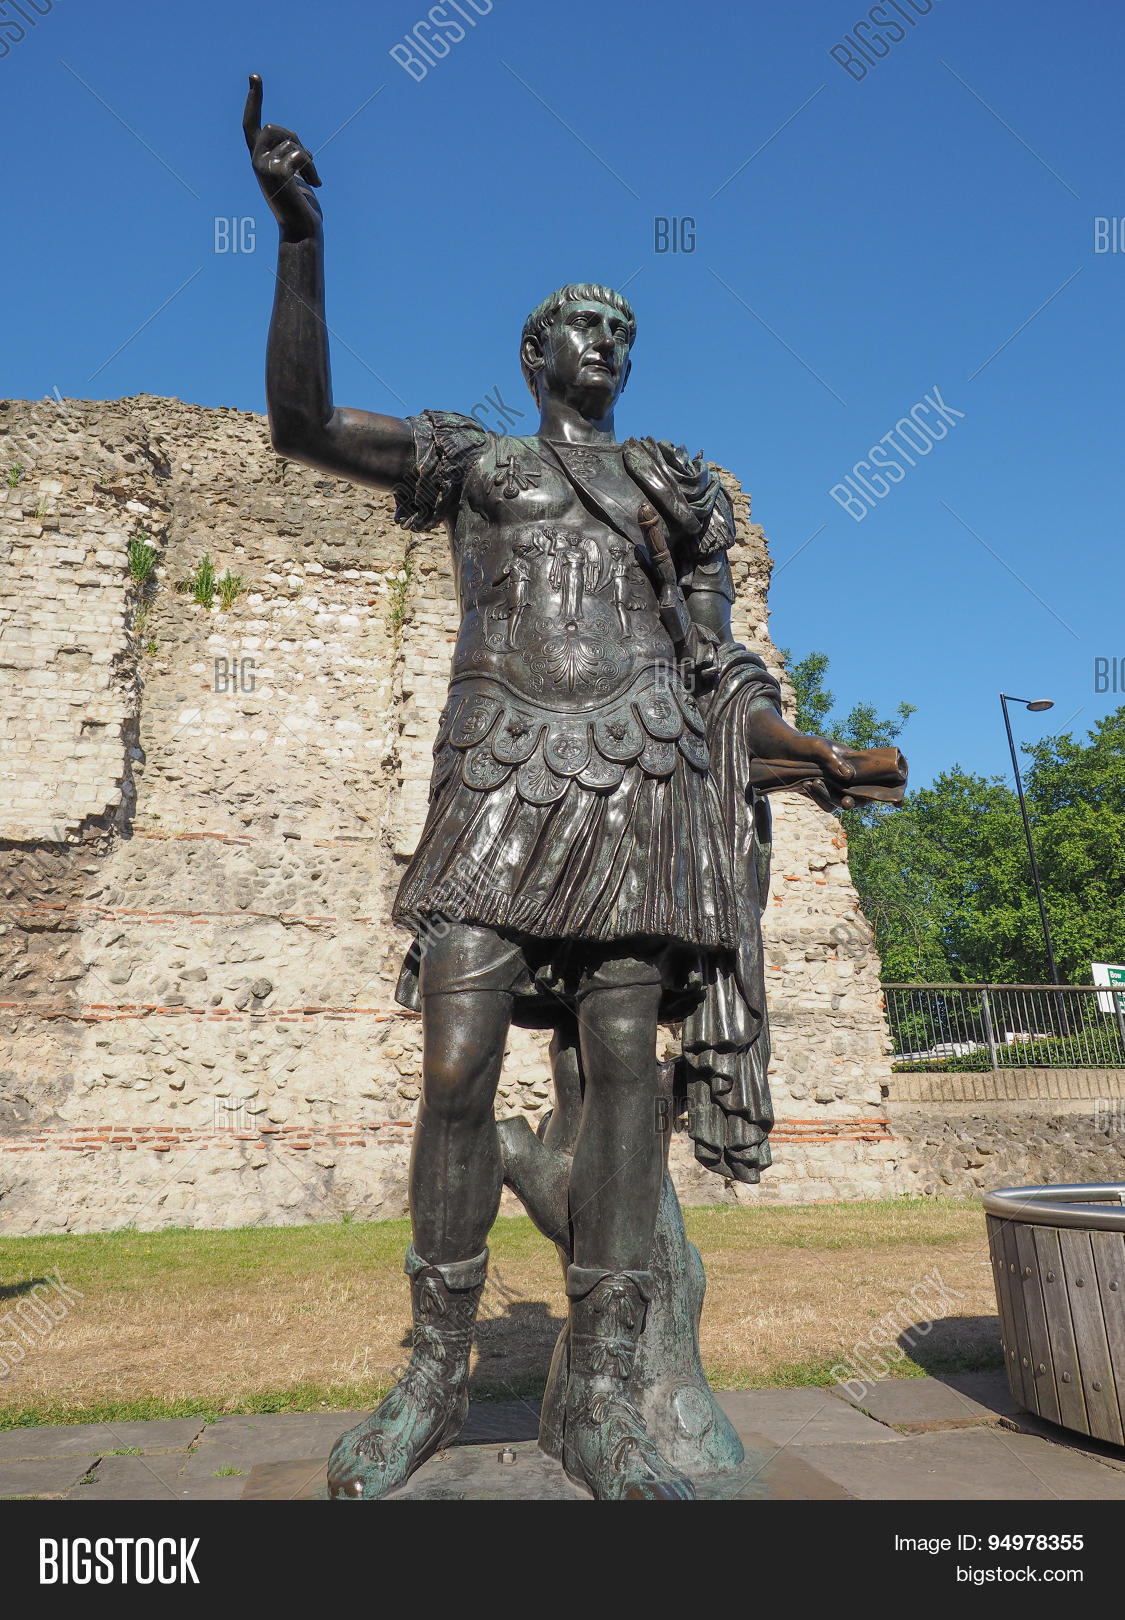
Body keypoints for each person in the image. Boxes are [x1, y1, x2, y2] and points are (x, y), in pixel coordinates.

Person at [245, 75, 857, 1499]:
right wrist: (297, 240)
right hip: (504, 767)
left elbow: (719, 676)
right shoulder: (478, 462)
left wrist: (801, 752)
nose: (612, 343)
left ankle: (609, 1391)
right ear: (533, 351)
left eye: (626, 330)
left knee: (628, 1079)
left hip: (637, 777)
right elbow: (298, 426)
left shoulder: (670, 491)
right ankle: (429, 1374)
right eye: (588, 325)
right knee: (455, 1065)